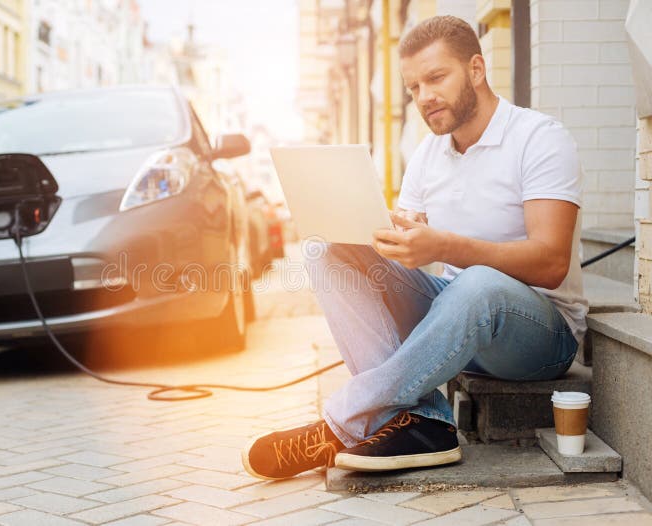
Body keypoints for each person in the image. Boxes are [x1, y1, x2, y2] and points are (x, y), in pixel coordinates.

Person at [242, 14, 587, 480]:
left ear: (477, 70)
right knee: (328, 250)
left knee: (478, 283)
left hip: (540, 337)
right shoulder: (428, 155)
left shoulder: (539, 138)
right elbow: (410, 250)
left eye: (436, 78)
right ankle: (424, 423)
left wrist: (444, 245)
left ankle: (341, 420)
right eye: (413, 88)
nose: (425, 96)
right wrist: (385, 236)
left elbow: (550, 263)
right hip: (457, 315)